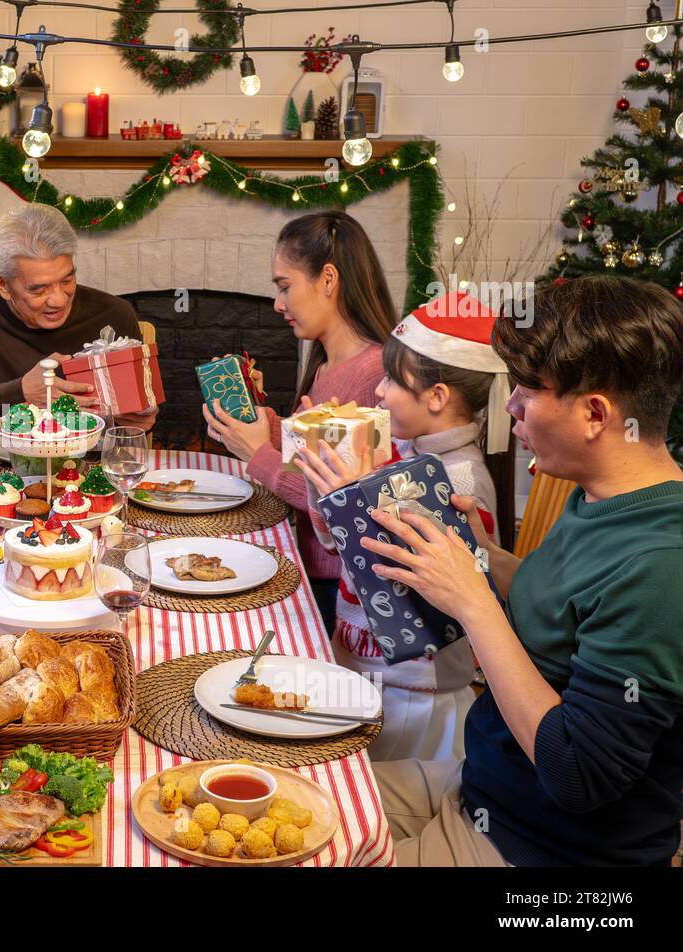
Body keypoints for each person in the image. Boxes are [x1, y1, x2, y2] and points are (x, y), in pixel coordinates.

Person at [360, 275, 683, 866]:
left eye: (528, 393)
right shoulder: (599, 494)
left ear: (593, 414)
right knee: (303, 791)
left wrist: (473, 602)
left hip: (536, 848)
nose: (509, 406)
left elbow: (576, 773)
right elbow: (561, 606)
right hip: (479, 787)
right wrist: (480, 555)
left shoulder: (661, 567)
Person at [296, 292, 511, 761]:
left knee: (379, 792)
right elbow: (334, 544)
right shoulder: (401, 453)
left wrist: (352, 492)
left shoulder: (460, 480)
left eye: (393, 380)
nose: (377, 391)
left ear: (436, 396)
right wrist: (324, 468)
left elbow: (418, 586)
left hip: (414, 690)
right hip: (360, 660)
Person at [203, 211, 396, 633]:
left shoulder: (374, 375)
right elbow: (312, 454)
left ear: (328, 279)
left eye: (284, 286)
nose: (277, 304)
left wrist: (257, 453)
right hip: (310, 565)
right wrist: (259, 421)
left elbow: (347, 502)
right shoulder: (329, 362)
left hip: (340, 591)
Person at [0, 203, 159, 431]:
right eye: (38, 289)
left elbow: (135, 427)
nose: (59, 300)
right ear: (1, 284)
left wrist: (139, 420)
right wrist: (20, 392)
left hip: (91, 464)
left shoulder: (113, 314)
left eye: (67, 280)